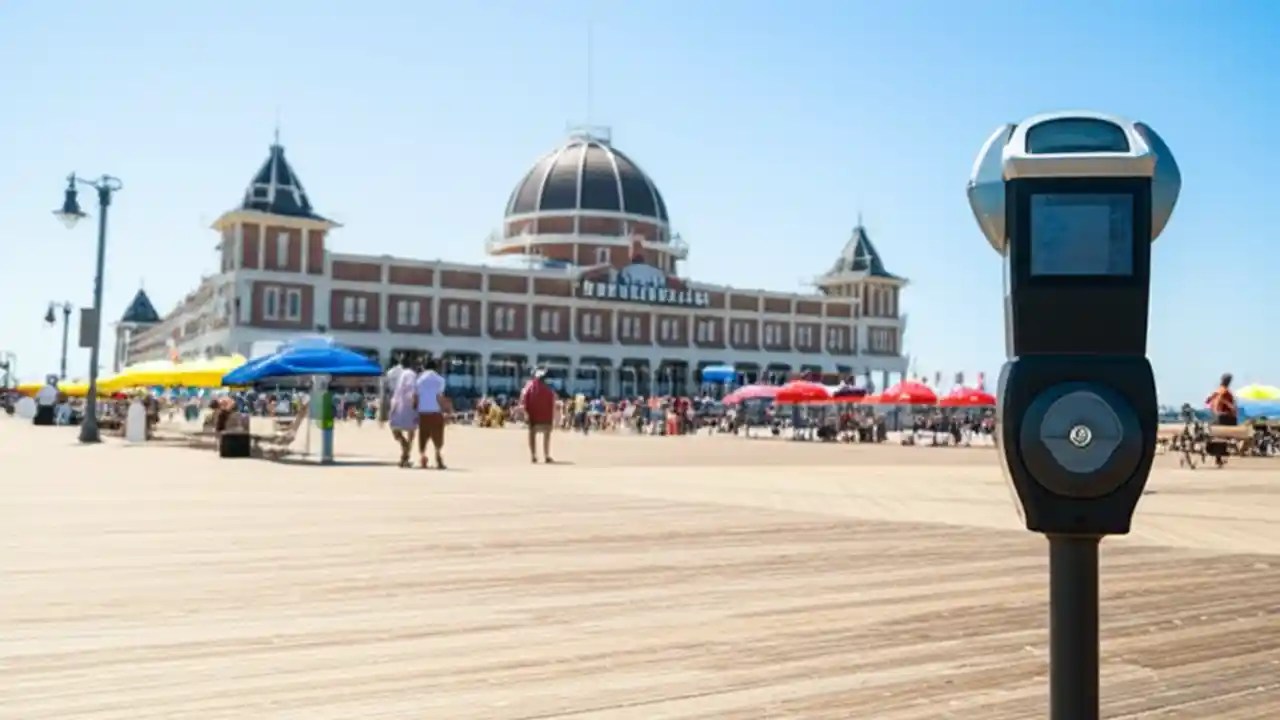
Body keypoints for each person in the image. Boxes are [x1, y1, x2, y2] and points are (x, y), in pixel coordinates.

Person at [414, 359, 451, 469]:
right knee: (438, 434)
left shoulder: (419, 379)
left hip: (423, 410)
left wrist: (415, 408)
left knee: (423, 434)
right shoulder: (440, 379)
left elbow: (416, 396)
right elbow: (439, 396)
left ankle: (423, 456)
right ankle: (438, 455)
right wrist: (446, 410)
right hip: (435, 410)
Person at [520, 368, 557, 463]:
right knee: (547, 436)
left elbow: (524, 400)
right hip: (546, 418)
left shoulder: (529, 386)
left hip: (533, 417)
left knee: (532, 435)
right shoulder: (549, 388)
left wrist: (526, 413)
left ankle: (533, 455)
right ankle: (547, 455)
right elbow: (552, 402)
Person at [388, 366, 418, 467]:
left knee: (396, 429)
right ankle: (405, 451)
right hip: (407, 406)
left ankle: (405, 456)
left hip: (400, 404)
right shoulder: (410, 374)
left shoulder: (400, 373)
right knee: (409, 432)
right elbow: (412, 390)